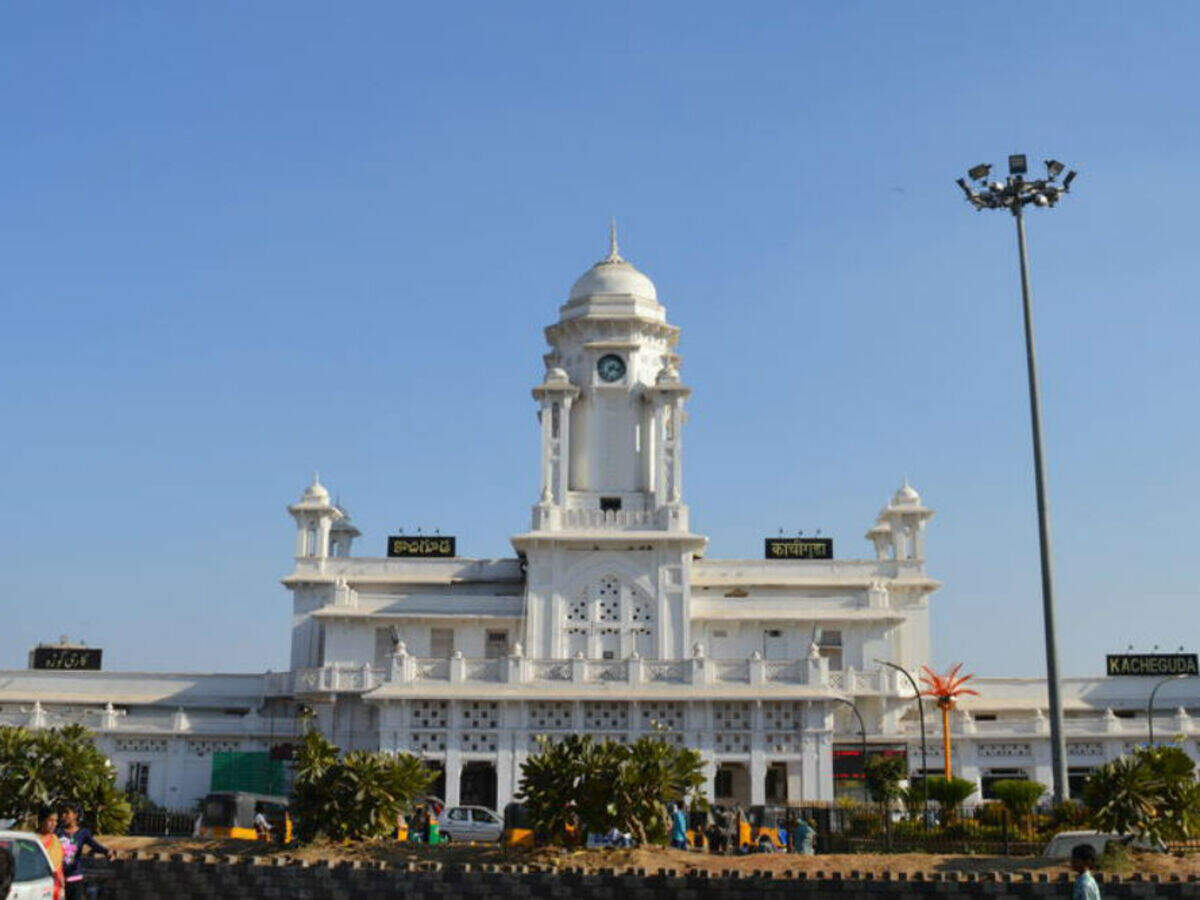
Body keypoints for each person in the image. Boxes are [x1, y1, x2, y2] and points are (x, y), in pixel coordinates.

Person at [57, 803, 114, 900]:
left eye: (67, 813)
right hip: (59, 880)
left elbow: (94, 845)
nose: (63, 816)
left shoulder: (83, 833)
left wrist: (107, 852)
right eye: (62, 813)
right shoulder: (58, 832)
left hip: (75, 879)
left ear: (75, 815)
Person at [36, 807, 64, 900]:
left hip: (56, 887)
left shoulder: (55, 840)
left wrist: (62, 883)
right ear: (42, 821)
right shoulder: (34, 841)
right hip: (38, 885)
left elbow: (59, 865)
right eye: (50, 820)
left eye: (55, 821)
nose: (54, 824)